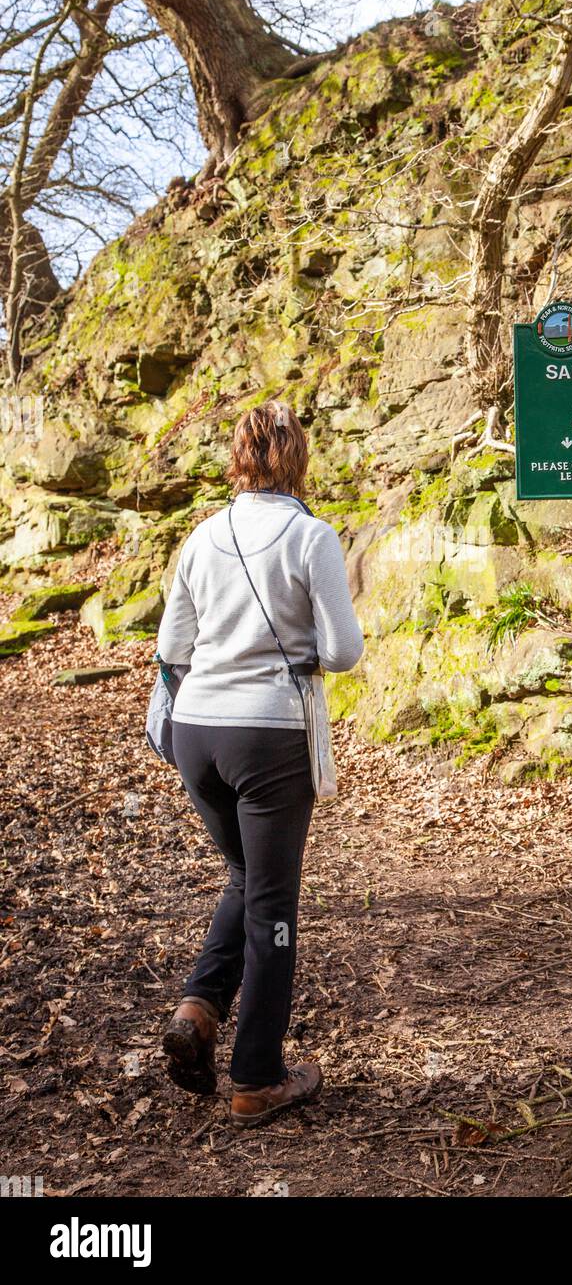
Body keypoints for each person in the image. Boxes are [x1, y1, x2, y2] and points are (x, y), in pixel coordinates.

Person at [155, 399, 364, 1127]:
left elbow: (173, 647)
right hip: (268, 737)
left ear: (238, 457)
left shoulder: (202, 535)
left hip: (195, 733)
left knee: (246, 878)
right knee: (273, 905)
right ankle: (255, 1079)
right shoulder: (312, 537)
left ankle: (199, 1008)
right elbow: (342, 652)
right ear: (297, 457)